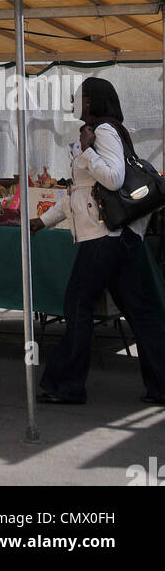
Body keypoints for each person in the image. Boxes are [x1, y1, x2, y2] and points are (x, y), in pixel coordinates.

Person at [32, 76, 165, 406]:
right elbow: (81, 194)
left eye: (78, 98)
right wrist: (44, 221)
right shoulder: (103, 131)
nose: (74, 103)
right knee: (140, 310)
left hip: (104, 237)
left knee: (78, 306)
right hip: (120, 237)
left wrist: (88, 151)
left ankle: (67, 385)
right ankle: (162, 384)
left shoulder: (103, 132)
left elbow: (114, 177)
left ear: (91, 102)